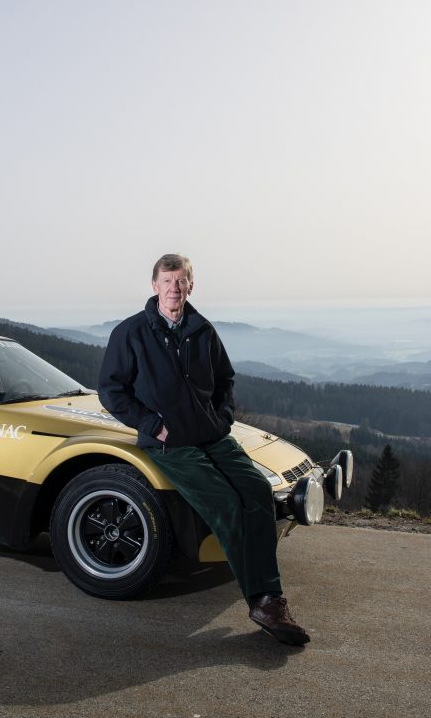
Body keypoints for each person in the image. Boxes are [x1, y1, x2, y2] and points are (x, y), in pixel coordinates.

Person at [98, 253, 310, 646]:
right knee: (225, 503)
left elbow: (225, 380)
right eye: (167, 281)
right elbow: (111, 391)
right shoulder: (130, 333)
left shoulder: (203, 330)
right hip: (170, 444)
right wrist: (150, 425)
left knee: (258, 492)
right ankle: (265, 601)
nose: (174, 288)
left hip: (213, 436)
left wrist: (223, 418)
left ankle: (265, 590)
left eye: (181, 281)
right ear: (154, 286)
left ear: (191, 286)